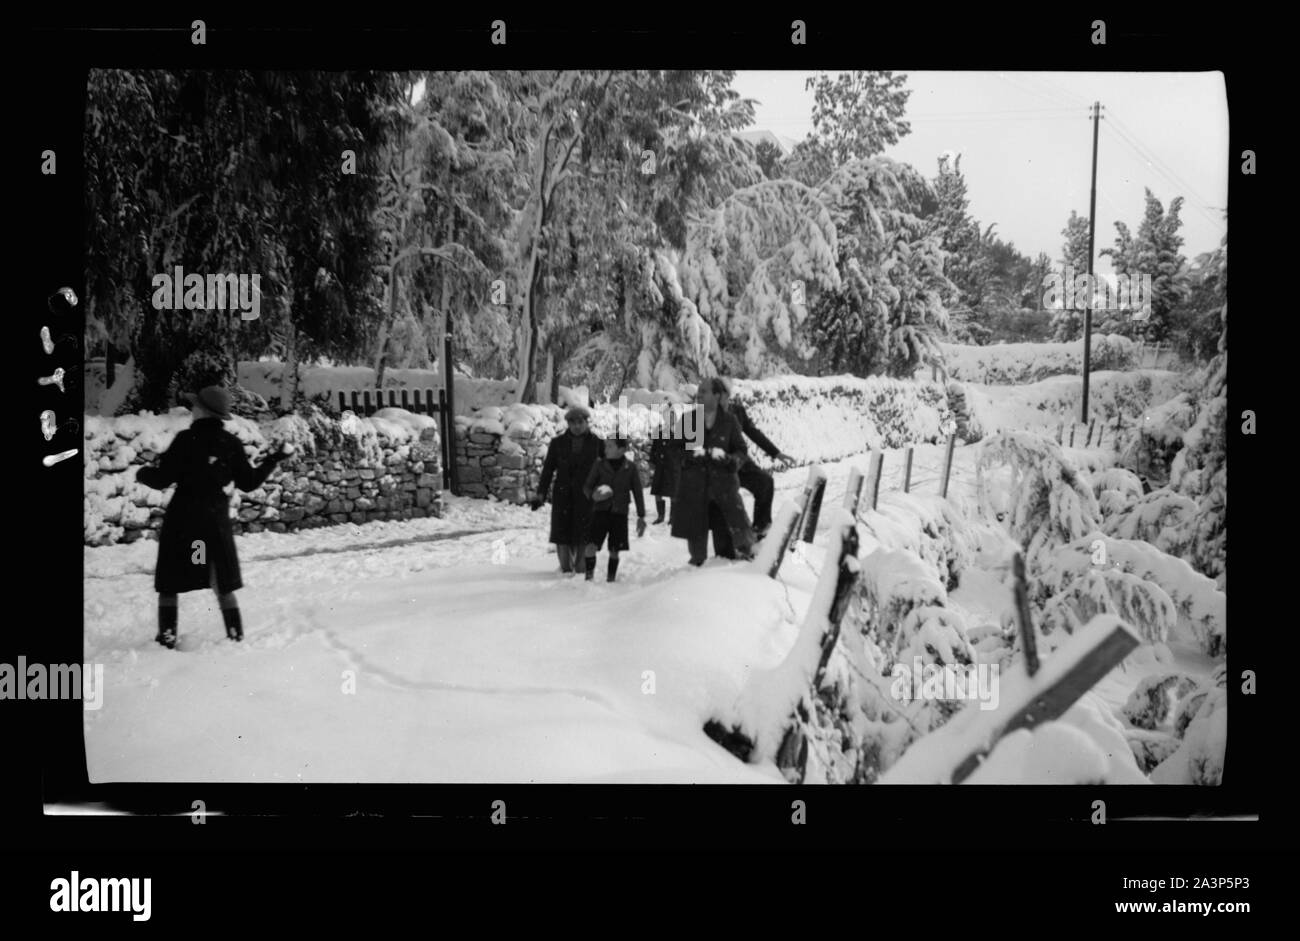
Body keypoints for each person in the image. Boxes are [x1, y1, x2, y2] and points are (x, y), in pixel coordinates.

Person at [135, 386, 293, 648]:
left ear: (203, 410)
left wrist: (143, 473)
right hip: (213, 519)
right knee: (222, 580)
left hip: (183, 518)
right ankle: (235, 634)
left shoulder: (185, 439)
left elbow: (162, 478)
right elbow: (249, 482)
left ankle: (167, 637)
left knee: (170, 580)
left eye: (195, 405)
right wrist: (275, 458)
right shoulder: (230, 443)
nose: (192, 409)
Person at [669, 377, 756, 565]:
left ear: (717, 396)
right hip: (695, 489)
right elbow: (673, 451)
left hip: (724, 489)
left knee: (725, 551)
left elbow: (741, 451)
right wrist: (692, 455)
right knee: (697, 553)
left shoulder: (730, 421)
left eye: (703, 392)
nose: (698, 395)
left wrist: (729, 459)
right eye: (699, 392)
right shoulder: (688, 419)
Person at [718, 382, 795, 540]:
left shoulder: (737, 411)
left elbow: (753, 433)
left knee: (765, 483)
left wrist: (777, 453)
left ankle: (761, 529)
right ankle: (737, 541)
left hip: (742, 463)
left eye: (723, 396)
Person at [531, 407, 603, 573]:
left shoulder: (598, 444)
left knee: (583, 534)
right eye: (573, 423)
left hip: (586, 497)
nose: (577, 426)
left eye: (580, 422)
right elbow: (548, 470)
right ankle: (565, 568)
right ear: (568, 424)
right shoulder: (558, 444)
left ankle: (580, 567)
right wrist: (541, 494)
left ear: (586, 422)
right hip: (563, 495)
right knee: (562, 534)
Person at [581, 436, 647, 581]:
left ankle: (611, 578)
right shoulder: (599, 465)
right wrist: (594, 495)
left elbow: (637, 492)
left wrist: (641, 516)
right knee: (590, 546)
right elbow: (587, 486)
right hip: (600, 512)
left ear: (621, 450)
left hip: (620, 513)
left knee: (615, 549)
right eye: (606, 446)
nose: (606, 449)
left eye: (610, 446)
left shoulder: (630, 468)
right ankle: (588, 577)